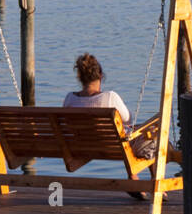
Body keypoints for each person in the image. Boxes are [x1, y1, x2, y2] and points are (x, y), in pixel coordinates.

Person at [63, 53, 167, 200]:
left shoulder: (69, 98)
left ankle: (133, 178)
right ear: (100, 75)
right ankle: (155, 184)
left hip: (83, 147)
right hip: (115, 147)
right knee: (153, 133)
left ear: (80, 77)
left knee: (124, 135)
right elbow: (128, 118)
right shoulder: (109, 97)